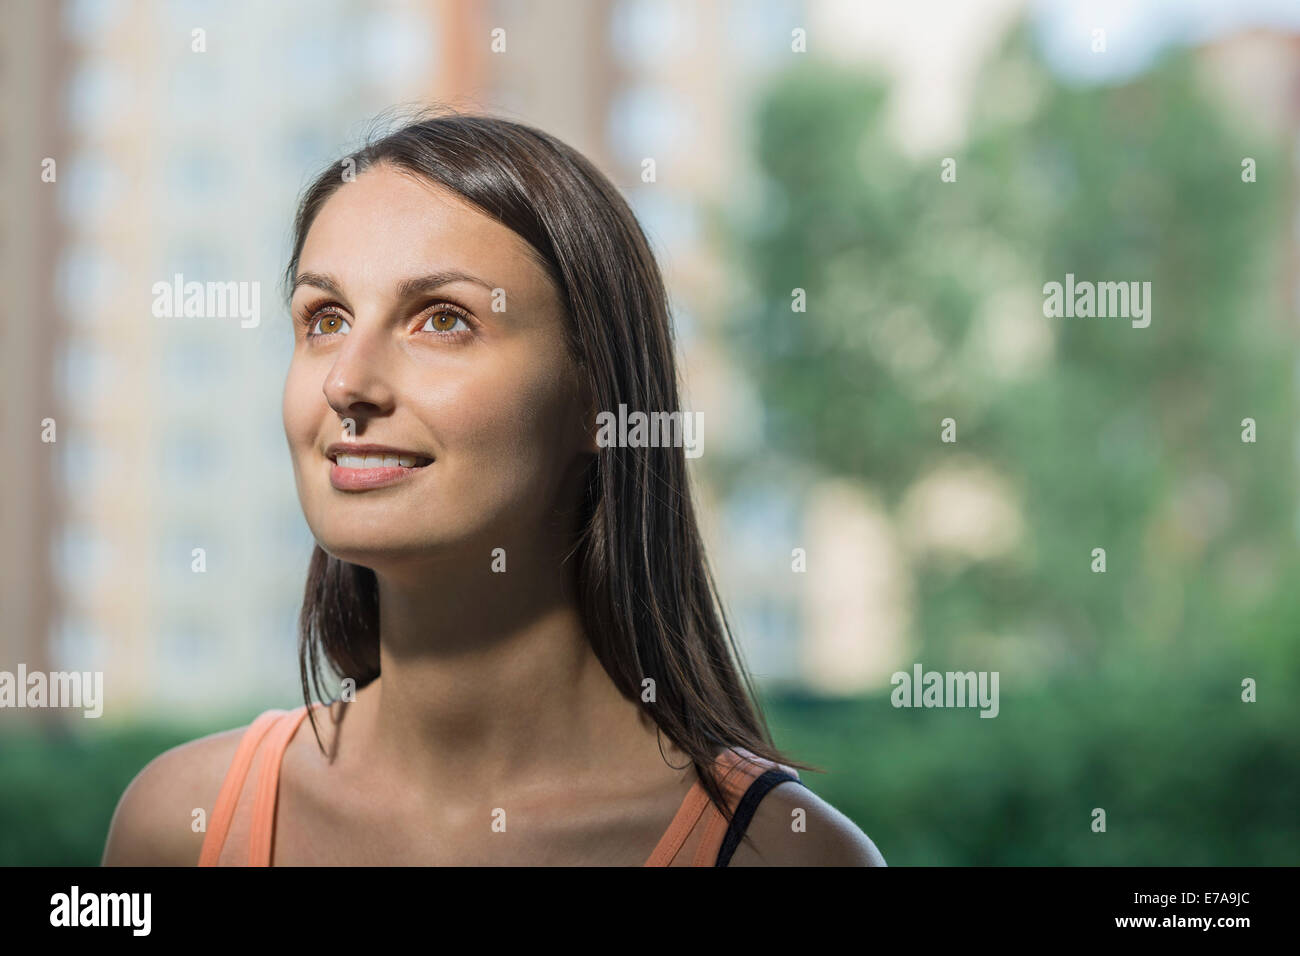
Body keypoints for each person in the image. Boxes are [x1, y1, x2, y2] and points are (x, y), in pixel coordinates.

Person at [102, 109, 887, 866]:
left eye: (442, 319)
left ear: (597, 400)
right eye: (326, 318)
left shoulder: (789, 857)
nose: (347, 382)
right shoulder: (175, 827)